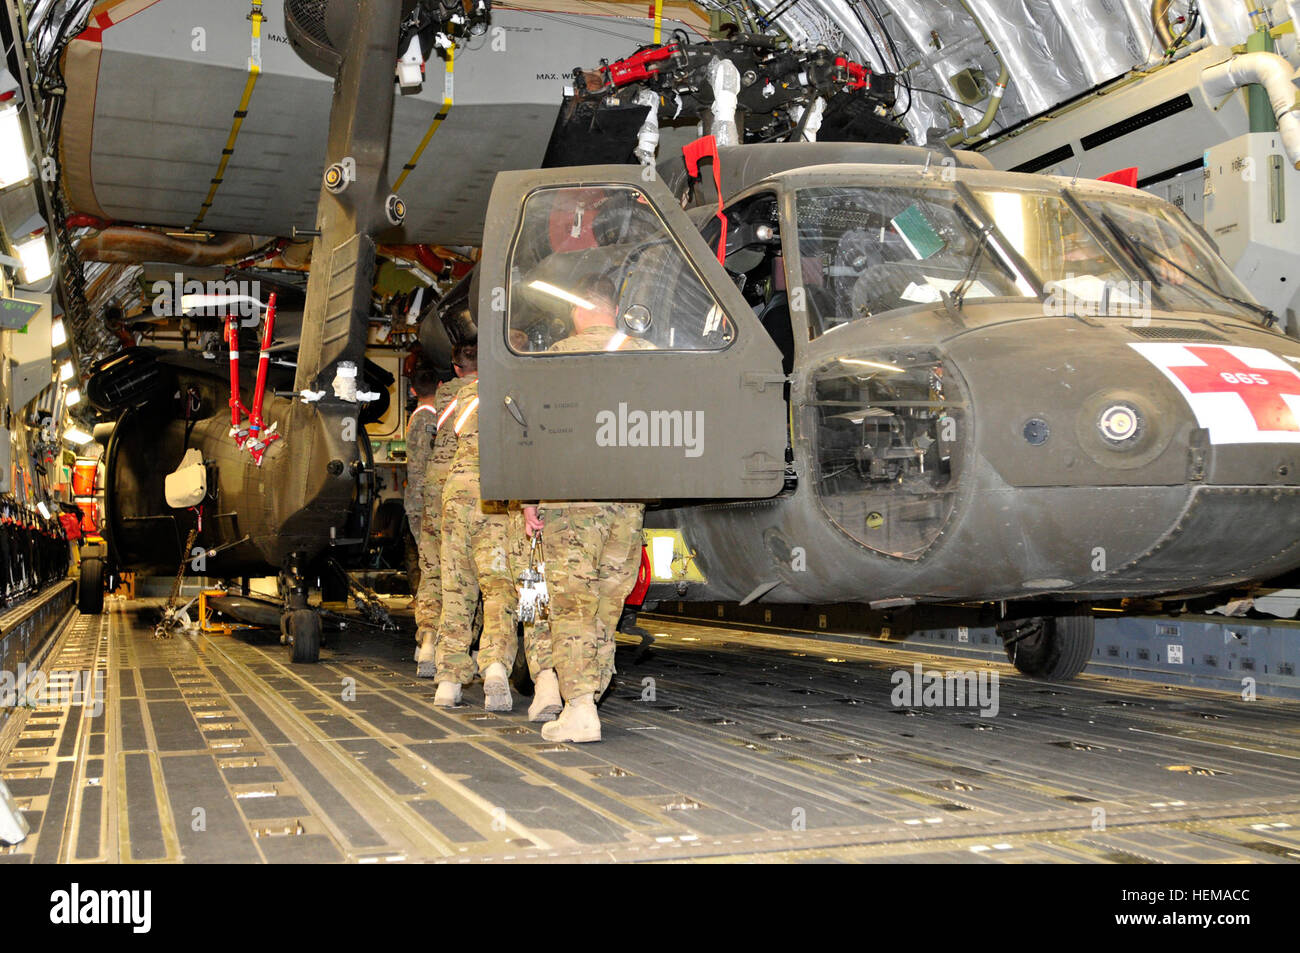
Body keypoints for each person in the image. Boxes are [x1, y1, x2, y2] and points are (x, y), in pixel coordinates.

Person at [524, 273, 650, 742]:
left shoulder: (557, 356)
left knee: (572, 598)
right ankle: (589, 697)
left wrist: (529, 496)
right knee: (607, 600)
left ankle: (578, 707)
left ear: (577, 310)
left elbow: (532, 432)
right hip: (629, 497)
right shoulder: (648, 355)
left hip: (572, 496)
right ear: (616, 311)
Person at [429, 346, 520, 710]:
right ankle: (495, 668)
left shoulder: (465, 393)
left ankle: (448, 682)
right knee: (498, 588)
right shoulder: (518, 389)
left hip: (457, 493)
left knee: (456, 588)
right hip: (496, 496)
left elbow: (446, 437)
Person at [414, 355, 476, 670]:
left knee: (433, 563)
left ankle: (428, 638)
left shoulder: (443, 393)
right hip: (476, 483)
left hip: (440, 482)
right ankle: (472, 648)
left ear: (455, 367)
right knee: (472, 570)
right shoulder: (493, 387)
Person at [404, 367, 440, 617]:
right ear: (440, 385)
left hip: (419, 499)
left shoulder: (418, 416)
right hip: (425, 500)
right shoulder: (428, 418)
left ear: (413, 390)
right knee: (431, 562)